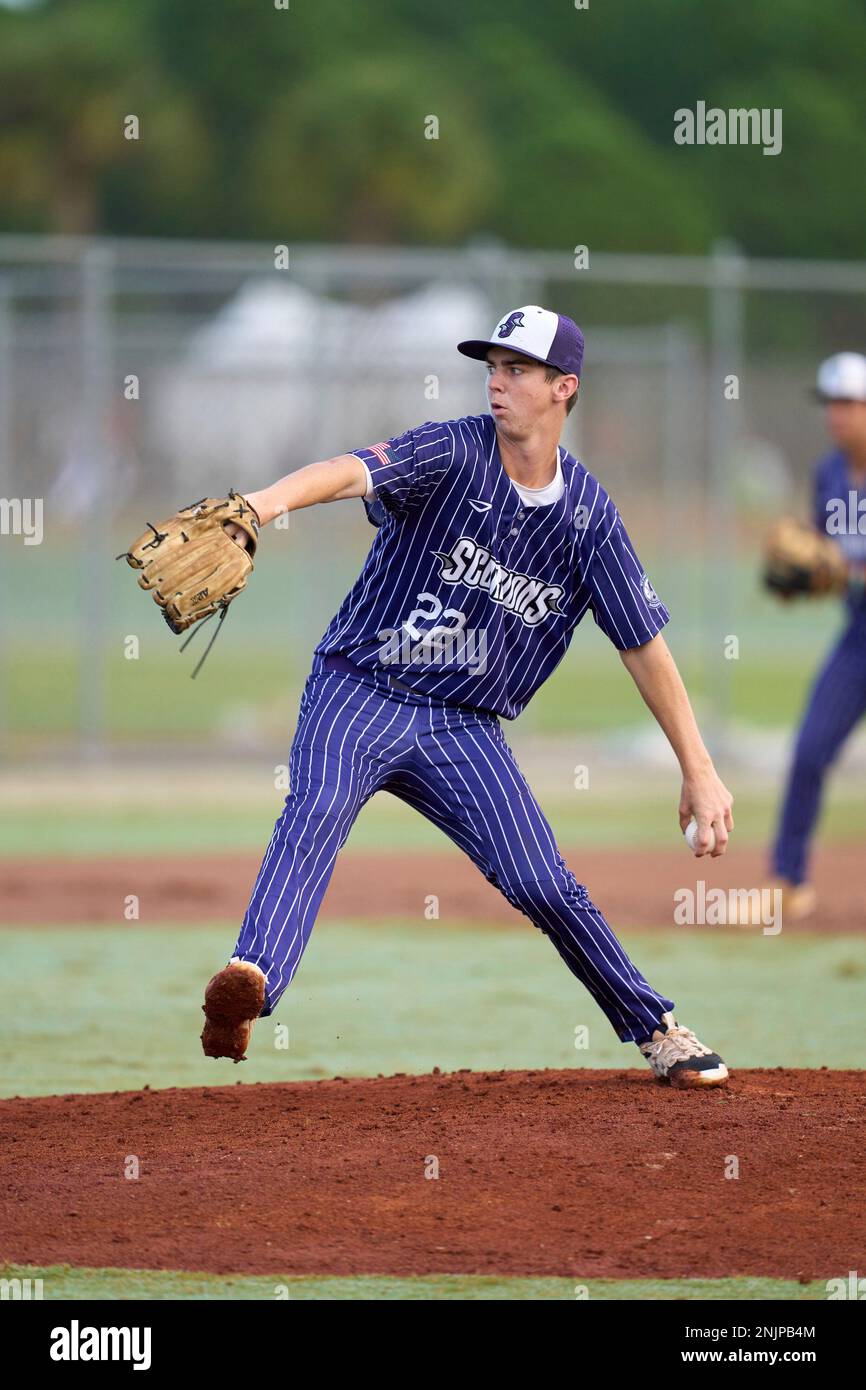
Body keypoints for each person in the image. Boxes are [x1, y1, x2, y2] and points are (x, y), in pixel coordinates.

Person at [201, 305, 734, 1089]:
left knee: (543, 881)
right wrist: (262, 505)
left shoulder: (588, 517)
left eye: (517, 369)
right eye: (493, 366)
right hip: (360, 686)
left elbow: (642, 643)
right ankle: (249, 984)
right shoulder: (450, 450)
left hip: (462, 727)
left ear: (564, 389)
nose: (498, 381)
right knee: (311, 815)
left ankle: (656, 1028)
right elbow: (352, 469)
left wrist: (699, 767)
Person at [767, 352, 866, 918]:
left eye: (850, 403)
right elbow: (829, 561)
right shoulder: (829, 474)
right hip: (857, 642)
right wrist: (803, 580)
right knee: (808, 752)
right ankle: (788, 881)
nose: (837, 415)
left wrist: (843, 571)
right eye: (832, 404)